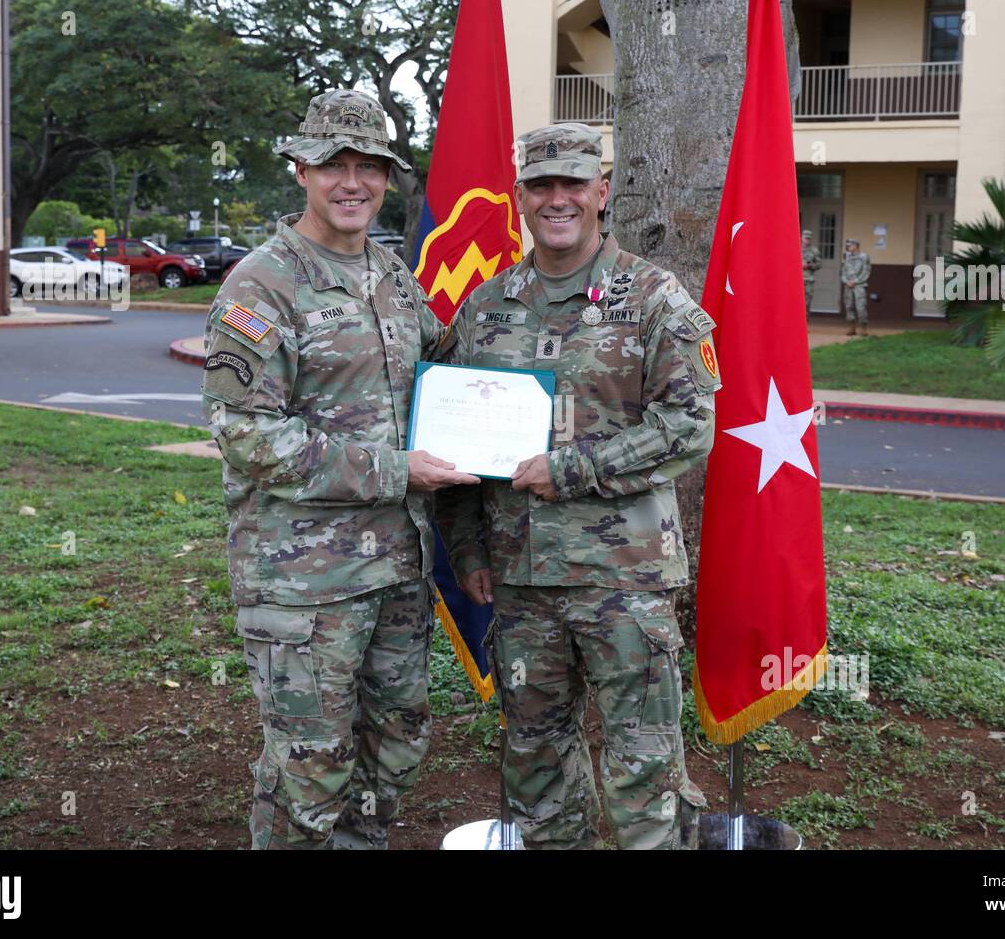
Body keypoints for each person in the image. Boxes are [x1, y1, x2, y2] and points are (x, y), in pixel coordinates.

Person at [200, 88, 478, 849]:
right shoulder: (262, 286)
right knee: (309, 772)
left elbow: (446, 368)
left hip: (396, 573)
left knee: (395, 751)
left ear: (388, 177)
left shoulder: (391, 275)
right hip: (304, 585)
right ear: (300, 169)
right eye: (333, 165)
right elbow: (247, 433)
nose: (352, 182)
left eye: (369, 166)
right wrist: (395, 471)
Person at [437, 122, 717, 849]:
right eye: (541, 185)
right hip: (521, 582)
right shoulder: (486, 307)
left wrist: (571, 468)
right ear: (519, 196)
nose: (557, 199)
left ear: (601, 192)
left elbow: (690, 424)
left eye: (572, 184)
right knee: (534, 761)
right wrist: (466, 551)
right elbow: (453, 443)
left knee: (643, 766)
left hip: (623, 580)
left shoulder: (653, 297)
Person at [840, 237, 871, 336]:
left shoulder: (864, 257)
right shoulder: (847, 257)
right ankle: (851, 327)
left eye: (850, 246)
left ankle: (863, 327)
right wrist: (846, 281)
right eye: (848, 246)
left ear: (856, 246)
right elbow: (843, 271)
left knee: (860, 307)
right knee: (849, 306)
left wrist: (855, 281)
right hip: (848, 285)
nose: (848, 247)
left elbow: (866, 272)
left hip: (859, 286)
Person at [800, 228, 821, 314]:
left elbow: (819, 264)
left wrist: (809, 266)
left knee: (807, 302)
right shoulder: (795, 248)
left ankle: (805, 322)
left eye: (808, 238)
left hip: (809, 279)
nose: (807, 240)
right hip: (796, 280)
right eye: (805, 238)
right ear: (802, 238)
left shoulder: (814, 250)